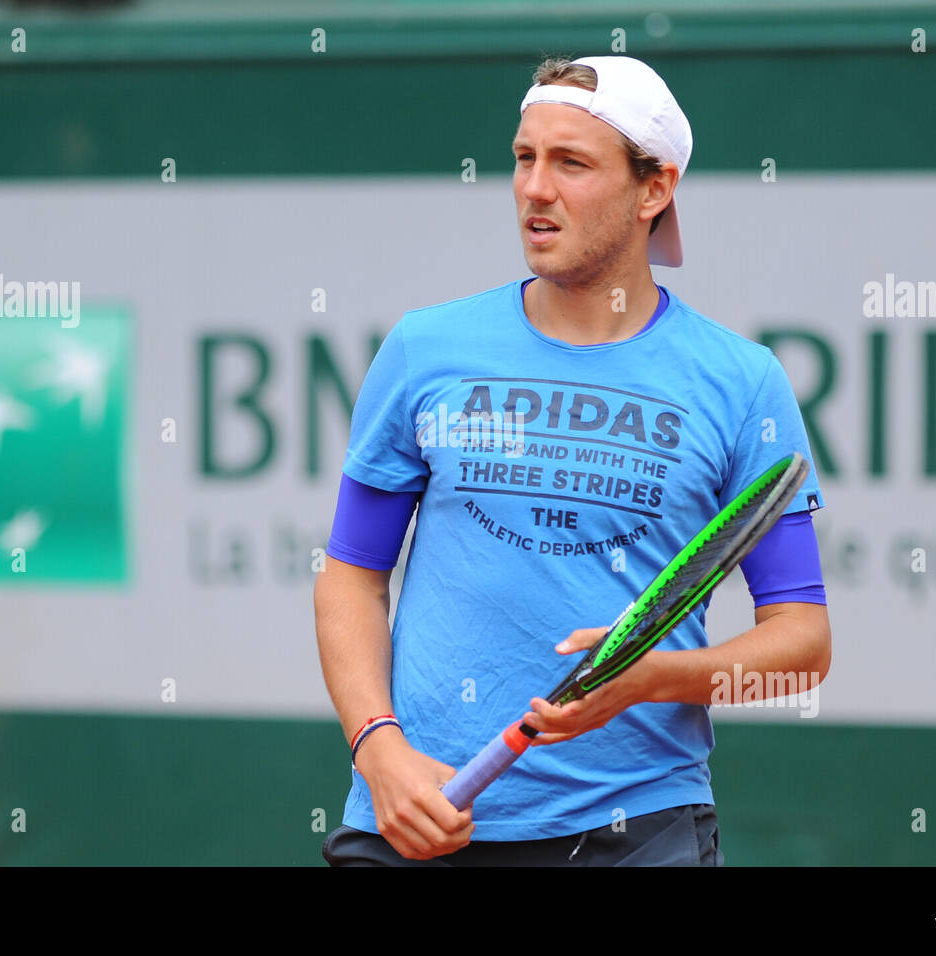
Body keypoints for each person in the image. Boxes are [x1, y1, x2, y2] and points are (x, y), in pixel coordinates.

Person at [314, 55, 831, 866]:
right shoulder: (424, 349)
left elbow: (801, 647)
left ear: (652, 190)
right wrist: (377, 749)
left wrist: (652, 677)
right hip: (415, 819)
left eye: (571, 164)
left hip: (636, 833)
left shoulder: (742, 382)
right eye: (524, 158)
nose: (533, 189)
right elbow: (351, 572)